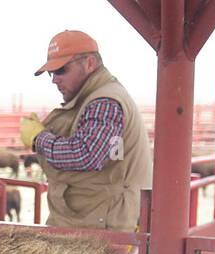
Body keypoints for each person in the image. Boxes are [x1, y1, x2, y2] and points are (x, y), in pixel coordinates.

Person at [20, 31, 152, 232]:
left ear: (89, 63)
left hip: (102, 225)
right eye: (51, 73)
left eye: (61, 70)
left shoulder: (104, 102)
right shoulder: (93, 98)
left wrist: (39, 139)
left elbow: (86, 155)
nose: (54, 79)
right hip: (90, 219)